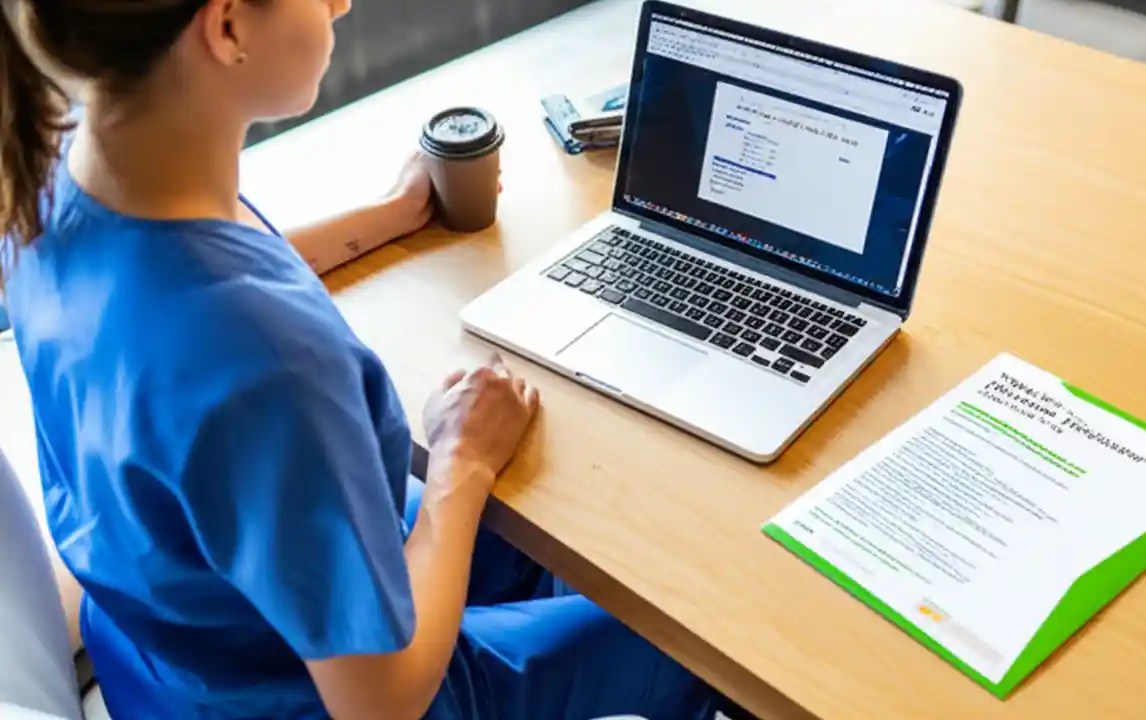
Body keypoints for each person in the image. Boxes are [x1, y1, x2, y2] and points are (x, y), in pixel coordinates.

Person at [0, 1, 728, 718]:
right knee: (698, 627)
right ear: (226, 27)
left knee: (552, 537)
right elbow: (380, 702)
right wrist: (460, 463)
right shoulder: (266, 364)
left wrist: (391, 214)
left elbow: (196, 269)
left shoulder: (52, 174)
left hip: (166, 656)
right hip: (316, 696)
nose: (342, 4)